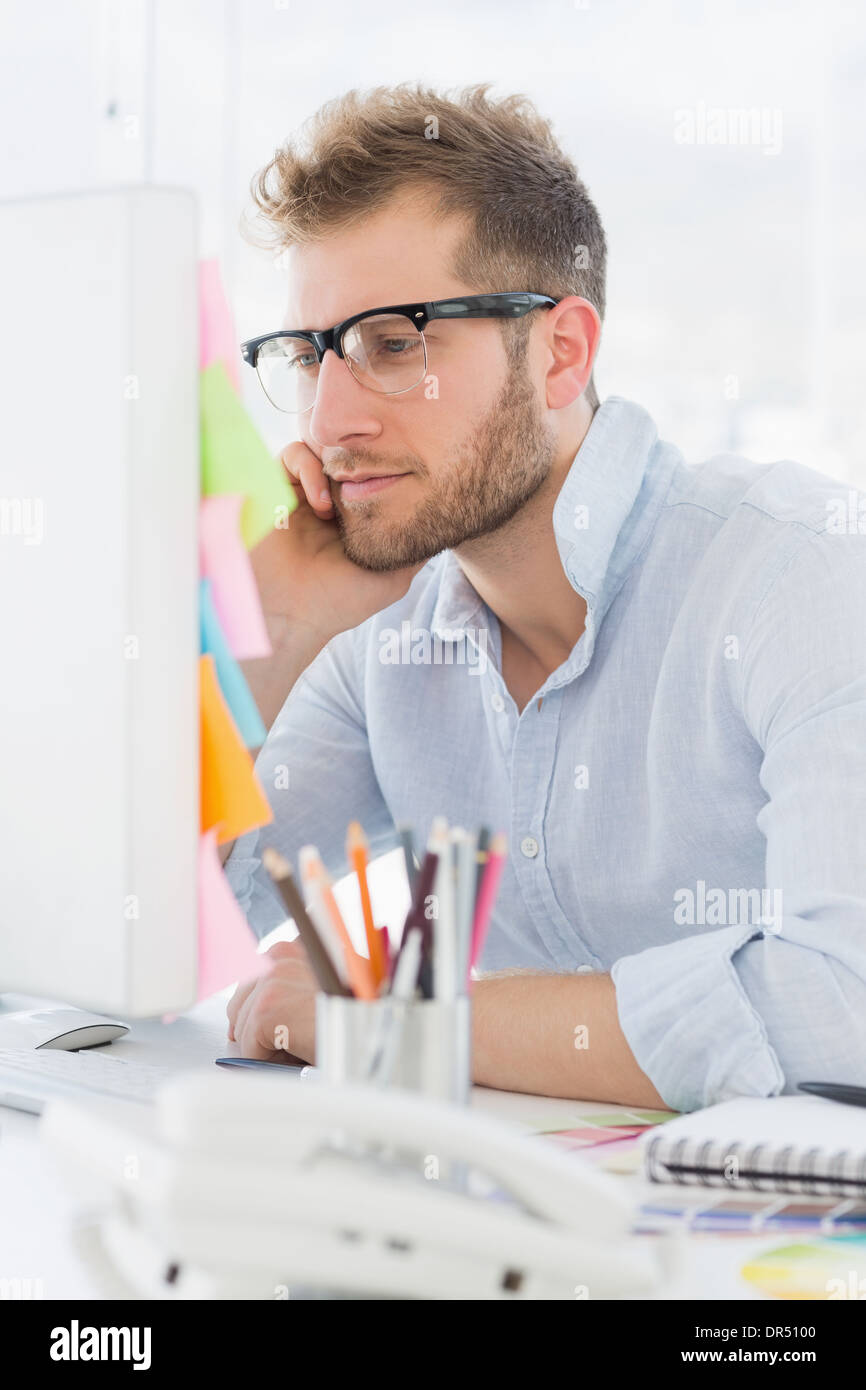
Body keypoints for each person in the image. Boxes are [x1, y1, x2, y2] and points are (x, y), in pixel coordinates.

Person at [222, 83, 866, 1112]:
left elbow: (842, 1006)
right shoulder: (376, 630)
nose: (331, 420)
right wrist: (272, 644)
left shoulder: (801, 576)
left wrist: (390, 1016)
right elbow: (139, 923)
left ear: (559, 353)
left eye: (395, 342)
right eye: (308, 357)